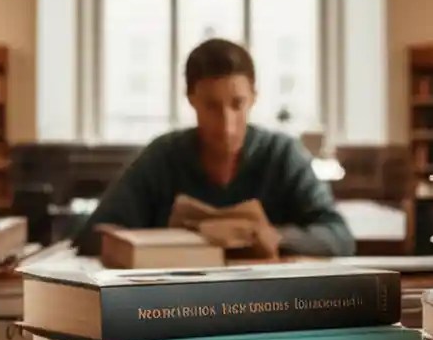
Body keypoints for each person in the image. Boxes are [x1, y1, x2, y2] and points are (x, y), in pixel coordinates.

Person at [72, 38, 355, 258]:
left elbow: (339, 236)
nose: (227, 125)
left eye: (237, 104)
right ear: (191, 99)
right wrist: (149, 245)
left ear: (254, 97)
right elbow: (91, 236)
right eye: (211, 106)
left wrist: (277, 237)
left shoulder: (282, 155)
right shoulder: (163, 156)